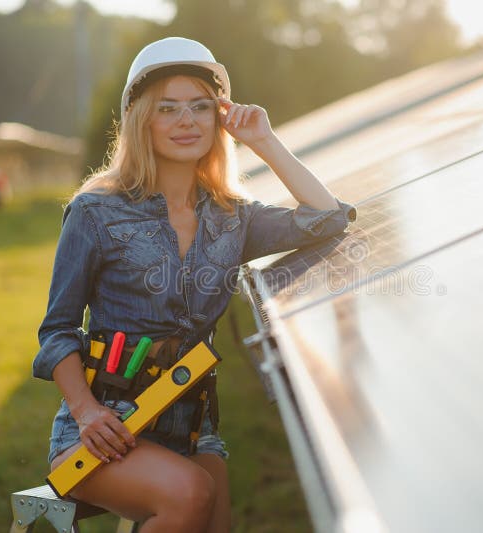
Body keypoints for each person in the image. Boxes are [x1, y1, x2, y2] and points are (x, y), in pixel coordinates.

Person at [33, 37, 356, 533]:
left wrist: (265, 141)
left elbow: (327, 218)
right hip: (105, 428)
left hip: (193, 426)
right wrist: (87, 413)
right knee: (191, 494)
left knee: (210, 516)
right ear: (143, 119)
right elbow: (56, 331)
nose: (187, 121)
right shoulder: (95, 211)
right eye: (169, 108)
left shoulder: (233, 217)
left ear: (218, 117)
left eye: (201, 107)